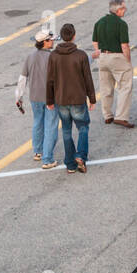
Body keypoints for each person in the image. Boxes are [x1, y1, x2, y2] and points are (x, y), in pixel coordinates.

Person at [45, 23, 97, 174]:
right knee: (83, 127)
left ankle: (70, 164)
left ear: (61, 37)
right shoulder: (80, 55)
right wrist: (92, 98)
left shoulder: (53, 56)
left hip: (61, 99)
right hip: (78, 98)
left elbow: (50, 80)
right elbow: (88, 79)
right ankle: (80, 155)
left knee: (66, 130)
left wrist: (49, 100)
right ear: (74, 36)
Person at [16, 28, 60, 169]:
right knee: (51, 126)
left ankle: (38, 151)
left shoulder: (30, 57)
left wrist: (19, 97)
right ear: (45, 42)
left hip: (34, 97)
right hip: (50, 98)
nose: (53, 42)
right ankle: (47, 159)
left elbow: (22, 79)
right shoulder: (53, 57)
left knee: (37, 122)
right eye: (51, 40)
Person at [91, 0, 134, 128]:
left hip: (103, 56)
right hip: (117, 56)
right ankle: (121, 116)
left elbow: (95, 42)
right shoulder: (121, 24)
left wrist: (100, 52)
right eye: (124, 8)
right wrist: (128, 61)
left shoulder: (99, 22)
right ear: (119, 10)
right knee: (125, 86)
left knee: (105, 88)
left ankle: (107, 115)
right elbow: (124, 45)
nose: (125, 10)